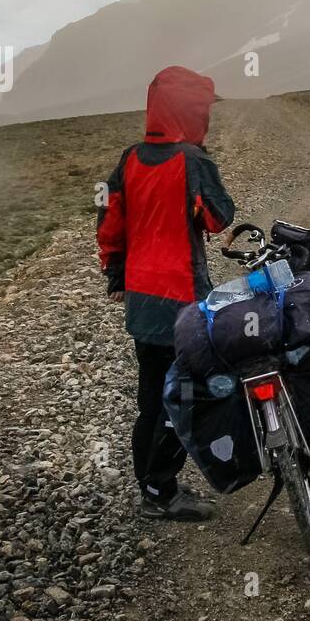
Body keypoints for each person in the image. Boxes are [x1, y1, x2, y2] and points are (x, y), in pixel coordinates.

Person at [97, 66, 235, 520]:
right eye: (200, 109)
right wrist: (202, 168)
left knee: (153, 394)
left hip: (141, 297)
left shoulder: (129, 158)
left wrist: (116, 275)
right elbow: (219, 218)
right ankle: (161, 491)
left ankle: (152, 486)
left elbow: (110, 221)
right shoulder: (192, 161)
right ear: (186, 112)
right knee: (186, 395)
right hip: (181, 299)